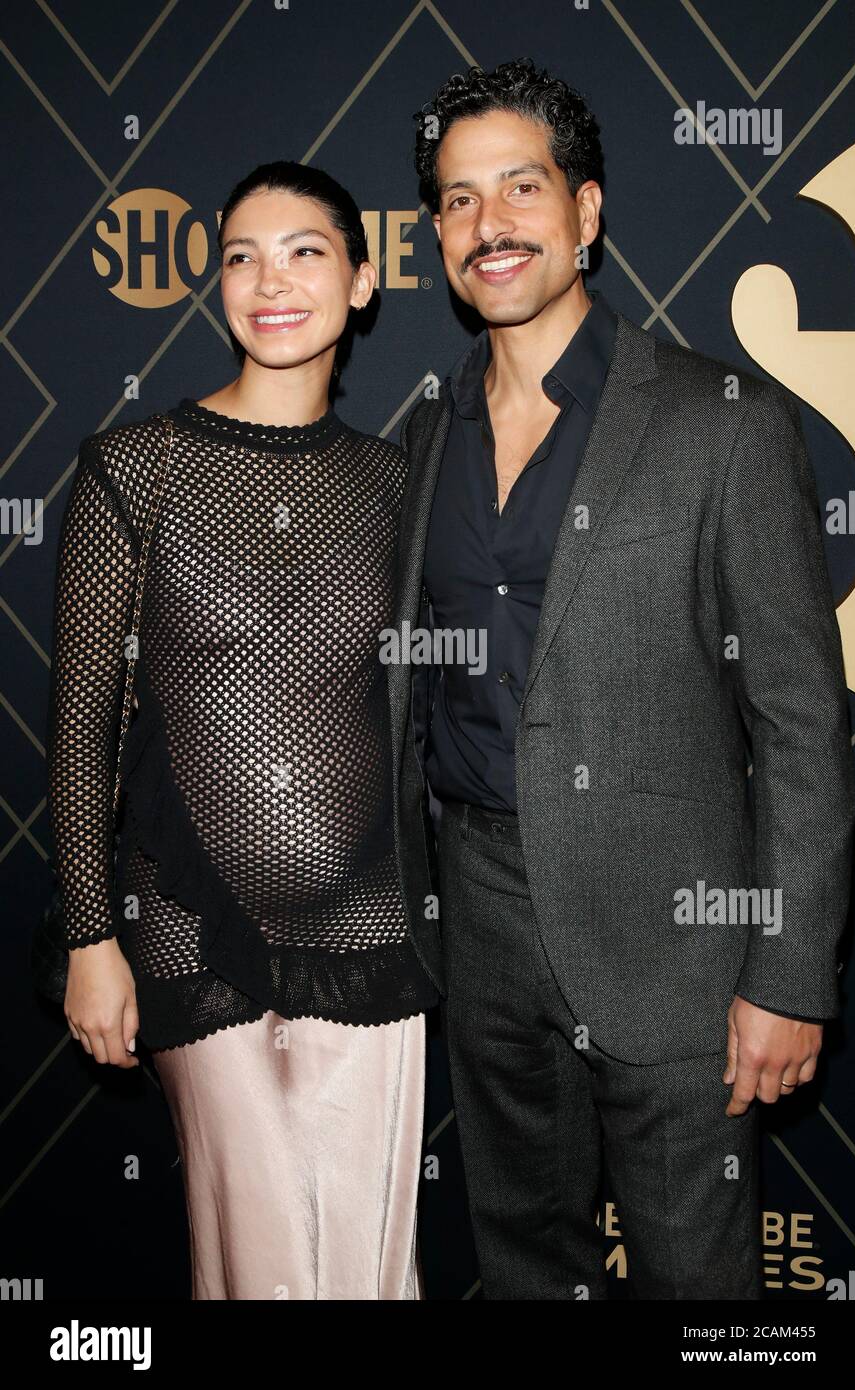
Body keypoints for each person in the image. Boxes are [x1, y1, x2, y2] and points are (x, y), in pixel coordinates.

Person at [390, 59, 855, 1299]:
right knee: (525, 1268)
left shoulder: (723, 420)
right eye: (455, 200)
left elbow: (803, 723)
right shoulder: (424, 432)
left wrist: (786, 970)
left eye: (520, 188)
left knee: (699, 1288)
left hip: (678, 947)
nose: (487, 225)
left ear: (585, 212)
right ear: (435, 232)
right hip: (480, 927)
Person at [46, 160, 441, 1300]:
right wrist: (87, 935)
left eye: (304, 252)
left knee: (371, 1272)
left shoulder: (392, 483)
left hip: (369, 933)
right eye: (240, 256)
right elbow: (83, 727)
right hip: (185, 931)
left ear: (362, 282)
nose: (270, 281)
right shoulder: (135, 470)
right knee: (258, 1266)